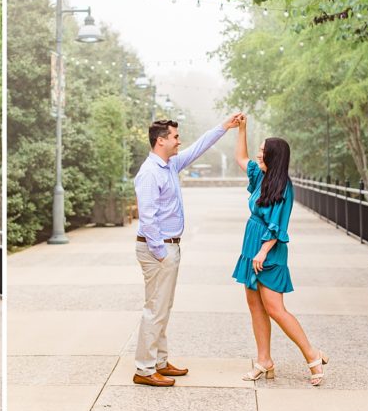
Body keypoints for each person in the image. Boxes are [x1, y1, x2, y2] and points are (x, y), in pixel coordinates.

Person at [132, 114, 241, 387]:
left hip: (168, 248)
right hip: (158, 250)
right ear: (161, 141)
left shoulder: (169, 165)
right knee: (155, 309)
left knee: (163, 307)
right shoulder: (149, 172)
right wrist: (160, 252)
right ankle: (144, 370)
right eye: (175, 137)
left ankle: (159, 362)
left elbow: (199, 147)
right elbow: (147, 218)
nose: (179, 142)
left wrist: (224, 127)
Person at [232, 114, 329, 386]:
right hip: (250, 245)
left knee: (275, 308)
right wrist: (242, 129)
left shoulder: (283, 186)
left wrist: (263, 252)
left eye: (264, 152)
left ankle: (312, 354)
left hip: (268, 250)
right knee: (254, 306)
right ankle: (264, 361)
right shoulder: (259, 176)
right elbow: (241, 157)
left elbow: (279, 224)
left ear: (275, 158)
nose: (259, 155)